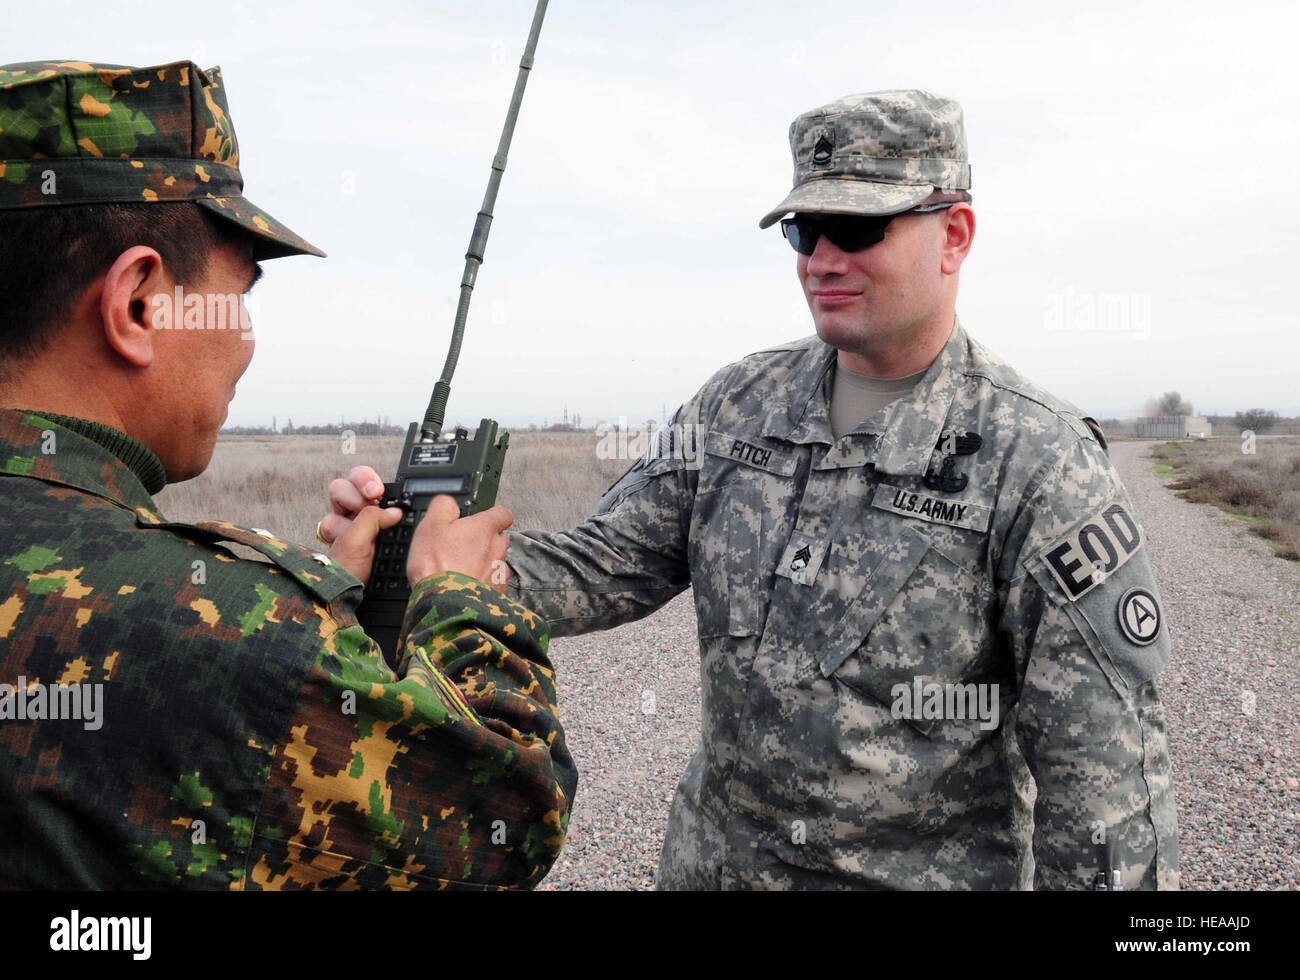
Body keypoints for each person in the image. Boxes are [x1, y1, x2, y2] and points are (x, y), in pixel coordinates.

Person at [499, 90, 1179, 889]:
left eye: (857, 229)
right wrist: (423, 558)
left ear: (954, 235)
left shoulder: (1038, 460)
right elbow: (605, 563)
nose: (822, 259)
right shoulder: (737, 403)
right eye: (805, 230)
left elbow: (1101, 791)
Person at [0, 59, 575, 890]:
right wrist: (458, 596)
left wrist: (318, 606)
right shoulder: (226, 631)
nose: (244, 341)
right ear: (138, 305)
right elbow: (508, 821)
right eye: (239, 298)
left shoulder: (245, 623)